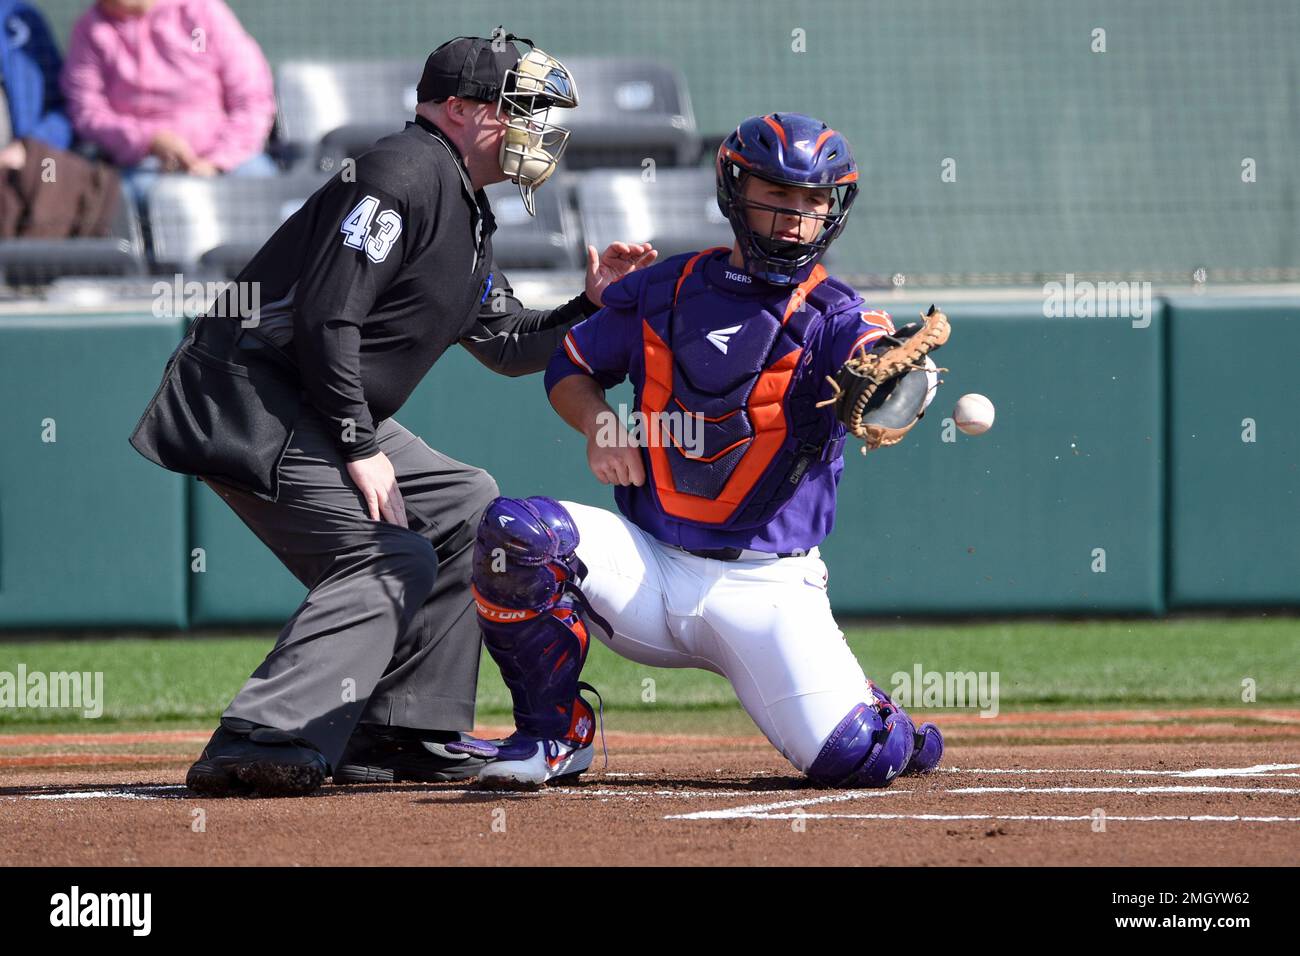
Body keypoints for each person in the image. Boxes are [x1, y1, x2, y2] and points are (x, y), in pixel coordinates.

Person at [128, 32, 656, 797]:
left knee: (467, 503)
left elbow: (509, 344)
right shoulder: (400, 172)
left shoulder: (464, 207)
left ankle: (400, 727)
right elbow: (326, 318)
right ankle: (261, 734)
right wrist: (357, 443)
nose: (534, 128)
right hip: (249, 400)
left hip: (310, 401)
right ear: (457, 109)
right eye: (518, 109)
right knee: (389, 554)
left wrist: (589, 306)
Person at [466, 112, 945, 789]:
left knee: (858, 760)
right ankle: (555, 734)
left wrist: (895, 377)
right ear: (734, 190)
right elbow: (569, 367)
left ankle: (886, 719)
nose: (796, 218)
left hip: (769, 589)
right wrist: (602, 425)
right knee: (517, 535)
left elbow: (876, 358)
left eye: (814, 202)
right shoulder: (666, 287)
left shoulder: (839, 315)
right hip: (650, 569)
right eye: (778, 196)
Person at [61, 0, 278, 205]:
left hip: (231, 161)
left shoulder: (202, 11)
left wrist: (216, 162)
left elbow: (253, 99)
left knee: (262, 187)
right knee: (126, 197)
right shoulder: (89, 30)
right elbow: (86, 112)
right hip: (142, 167)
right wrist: (148, 140)